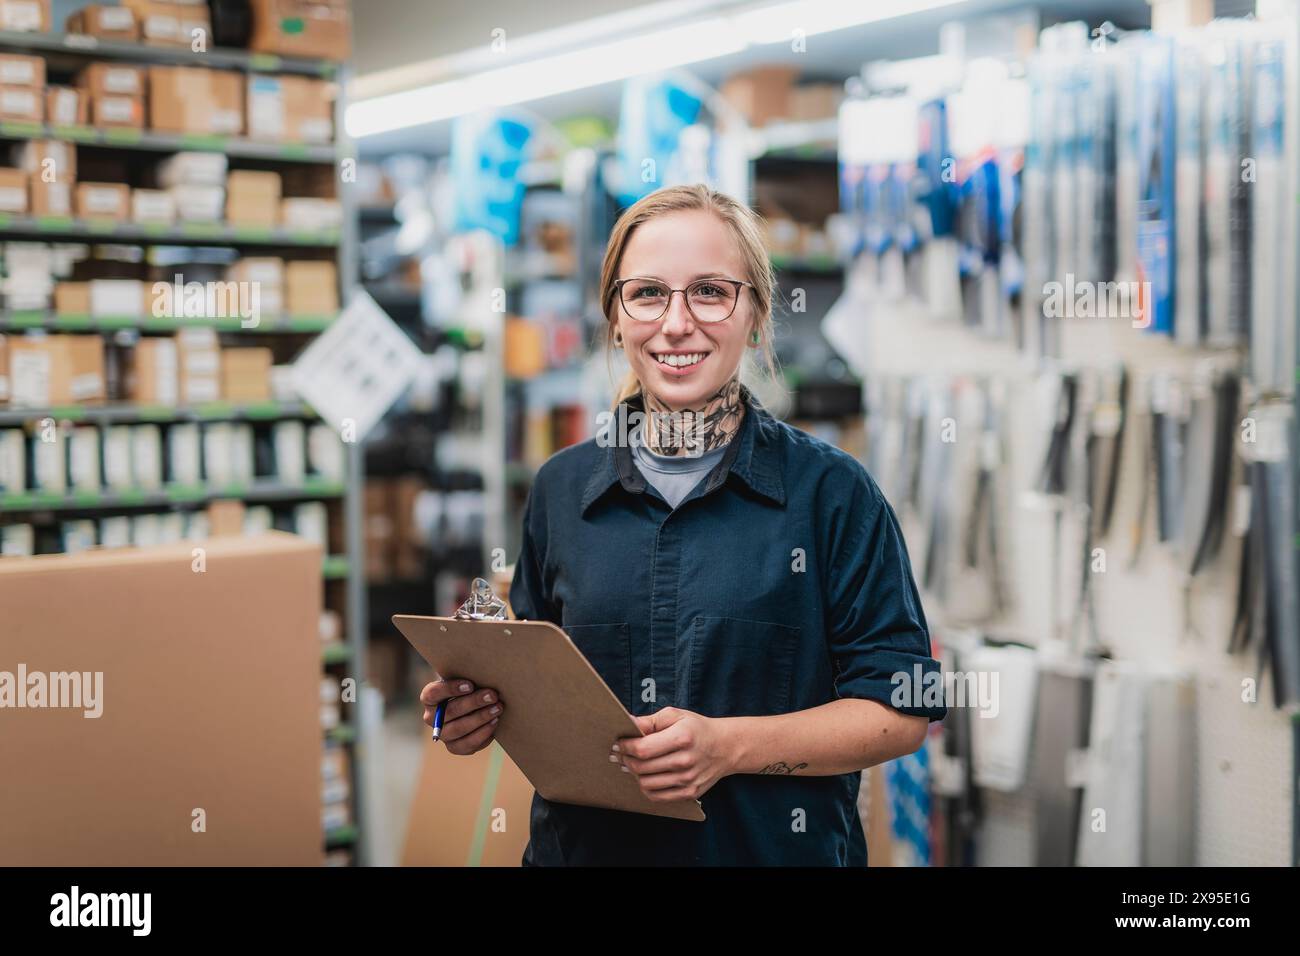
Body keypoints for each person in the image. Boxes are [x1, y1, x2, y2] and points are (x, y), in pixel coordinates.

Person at [420, 183, 946, 865]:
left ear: (755, 315)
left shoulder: (833, 496)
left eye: (709, 292)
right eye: (647, 294)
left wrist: (729, 747)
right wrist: (467, 715)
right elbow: (533, 687)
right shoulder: (561, 491)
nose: (675, 323)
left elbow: (901, 712)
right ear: (615, 317)